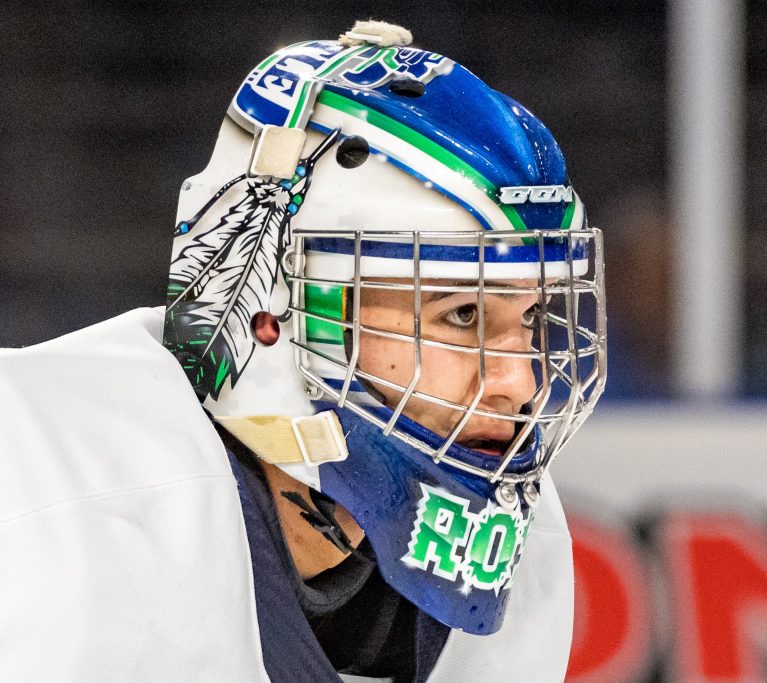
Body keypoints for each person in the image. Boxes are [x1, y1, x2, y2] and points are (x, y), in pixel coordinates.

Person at [0, 21, 606, 682]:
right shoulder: (43, 488)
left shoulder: (529, 548)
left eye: (532, 316)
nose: (521, 382)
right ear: (279, 308)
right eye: (461, 313)